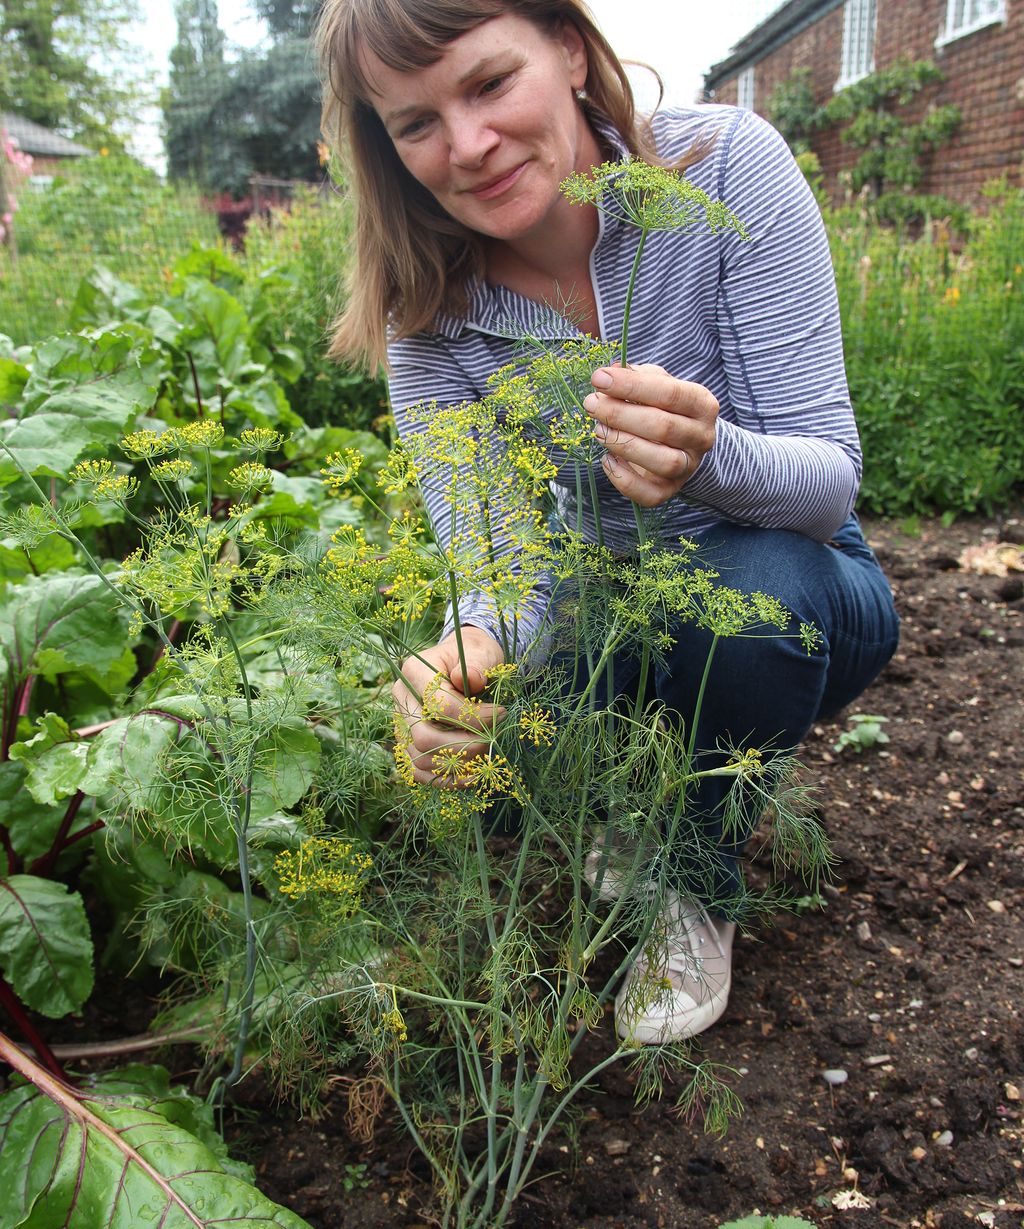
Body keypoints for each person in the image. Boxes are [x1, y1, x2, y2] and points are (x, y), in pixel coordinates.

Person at [315, 0, 900, 1044]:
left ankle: (693, 875)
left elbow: (826, 487)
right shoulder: (431, 319)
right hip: (605, 610)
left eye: (490, 84)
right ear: (386, 148)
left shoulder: (723, 167)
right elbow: (505, 569)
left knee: (749, 600)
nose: (467, 146)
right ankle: (633, 798)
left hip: (798, 586)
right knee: (485, 763)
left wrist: (704, 458)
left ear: (570, 51)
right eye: (414, 123)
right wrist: (471, 654)